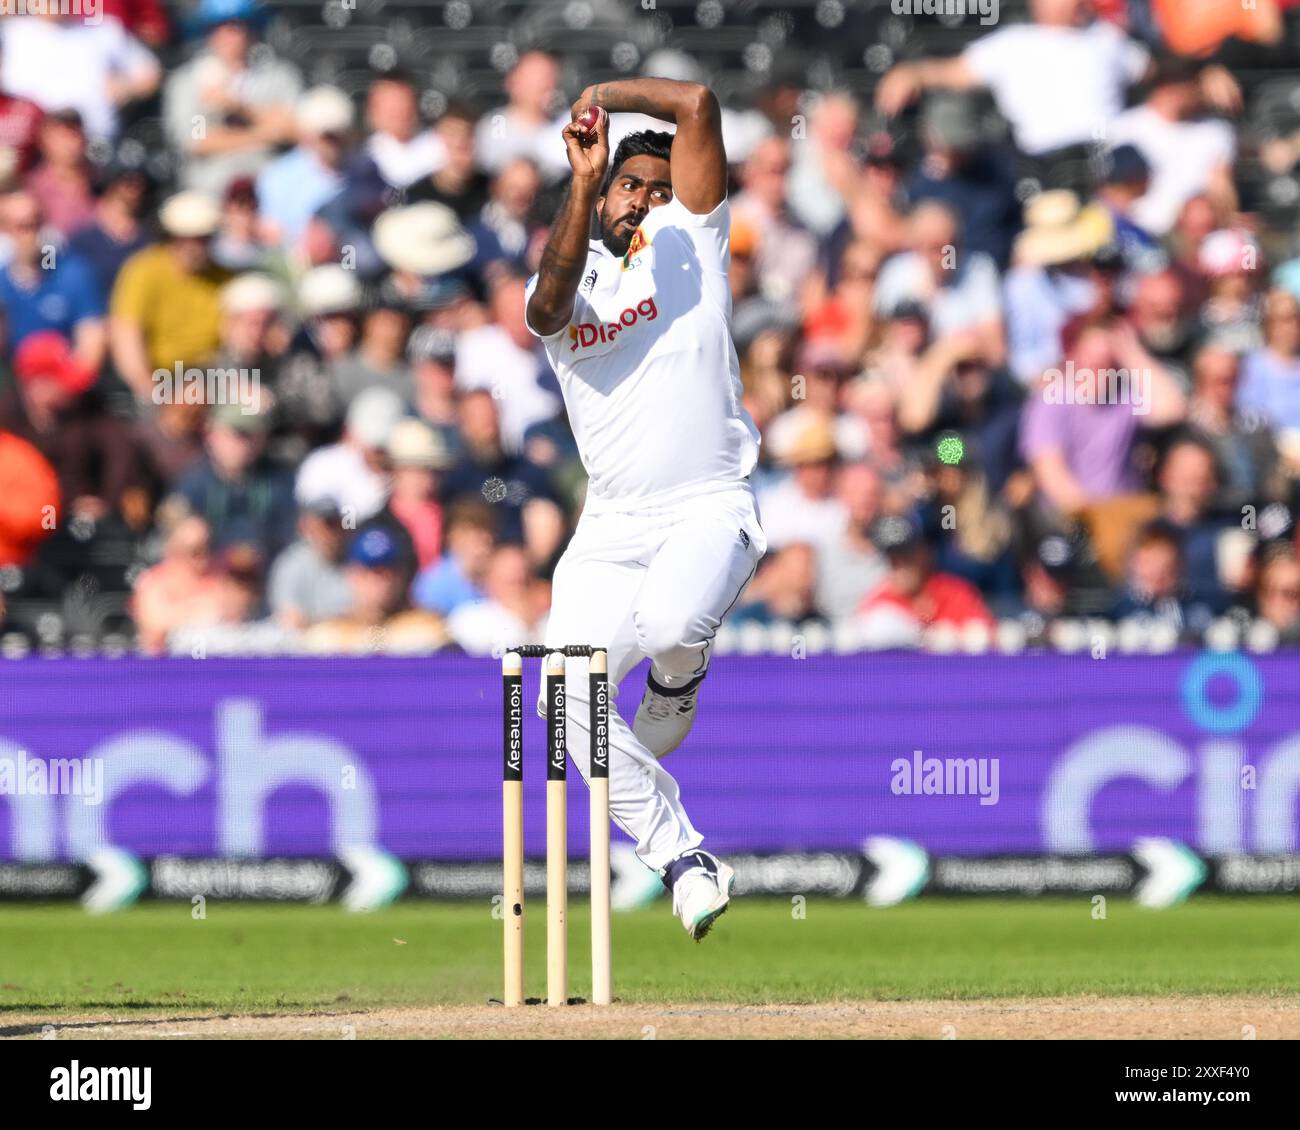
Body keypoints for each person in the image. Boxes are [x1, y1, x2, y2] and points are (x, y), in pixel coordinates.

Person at [523, 77, 768, 939]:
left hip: (709, 503)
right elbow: (547, 310)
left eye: (662, 188)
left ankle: (679, 672)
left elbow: (701, 102)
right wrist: (588, 181)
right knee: (562, 692)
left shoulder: (693, 242)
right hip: (611, 525)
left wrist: (604, 91)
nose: (649, 200)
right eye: (635, 186)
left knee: (670, 623)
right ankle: (683, 859)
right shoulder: (570, 272)